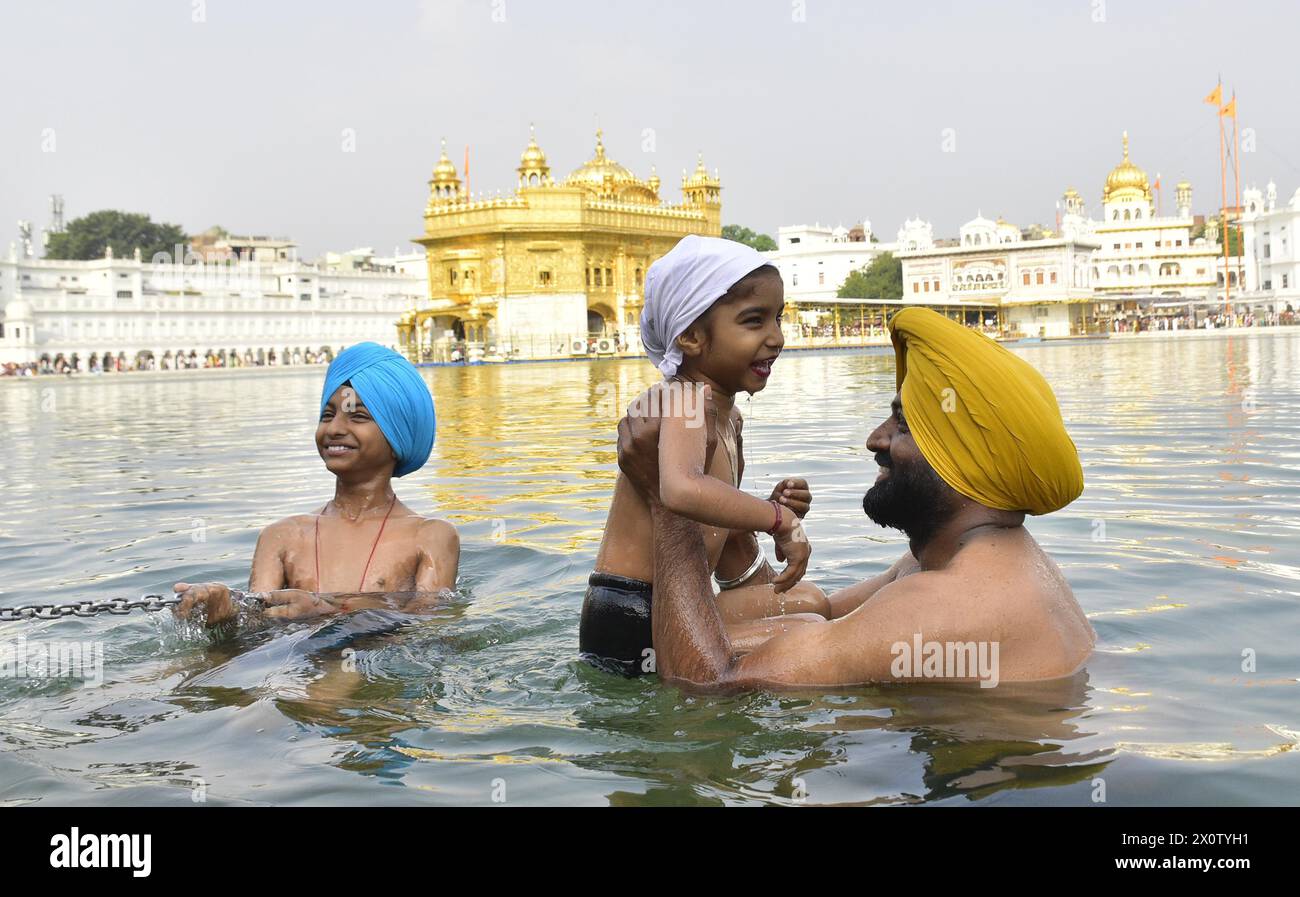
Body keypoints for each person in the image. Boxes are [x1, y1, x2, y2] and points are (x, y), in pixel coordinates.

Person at [616, 306, 1095, 690]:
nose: (875, 439)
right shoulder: (968, 564)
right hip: (962, 768)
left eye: (903, 425)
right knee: (807, 606)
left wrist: (670, 506)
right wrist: (737, 523)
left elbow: (703, 687)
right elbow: (807, 616)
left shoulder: (942, 604)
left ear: (964, 458)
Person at [580, 234, 825, 677]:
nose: (777, 338)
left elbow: (713, 520)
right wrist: (777, 518)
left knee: (810, 601)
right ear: (691, 336)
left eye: (779, 319)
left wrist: (766, 508)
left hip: (661, 605)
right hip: (629, 614)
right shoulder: (684, 401)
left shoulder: (729, 420)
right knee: (806, 623)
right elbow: (679, 488)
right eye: (754, 321)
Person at [174, 342, 459, 627]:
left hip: (376, 663)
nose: (334, 429)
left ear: (398, 437)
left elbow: (429, 630)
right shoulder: (281, 536)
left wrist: (326, 611)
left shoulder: (430, 536)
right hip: (292, 665)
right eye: (327, 415)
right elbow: (255, 634)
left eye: (357, 416)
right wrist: (222, 613)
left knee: (343, 675)